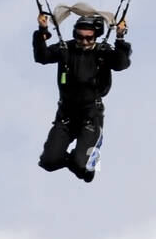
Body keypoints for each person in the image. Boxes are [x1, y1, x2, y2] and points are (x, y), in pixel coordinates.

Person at [33, 11, 130, 183]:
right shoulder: (66, 49)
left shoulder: (102, 52)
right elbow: (41, 57)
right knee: (47, 162)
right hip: (66, 117)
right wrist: (42, 31)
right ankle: (80, 160)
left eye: (89, 38)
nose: (84, 42)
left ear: (95, 37)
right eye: (80, 37)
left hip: (90, 117)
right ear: (74, 34)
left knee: (84, 171)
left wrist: (120, 37)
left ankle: (87, 159)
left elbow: (121, 63)